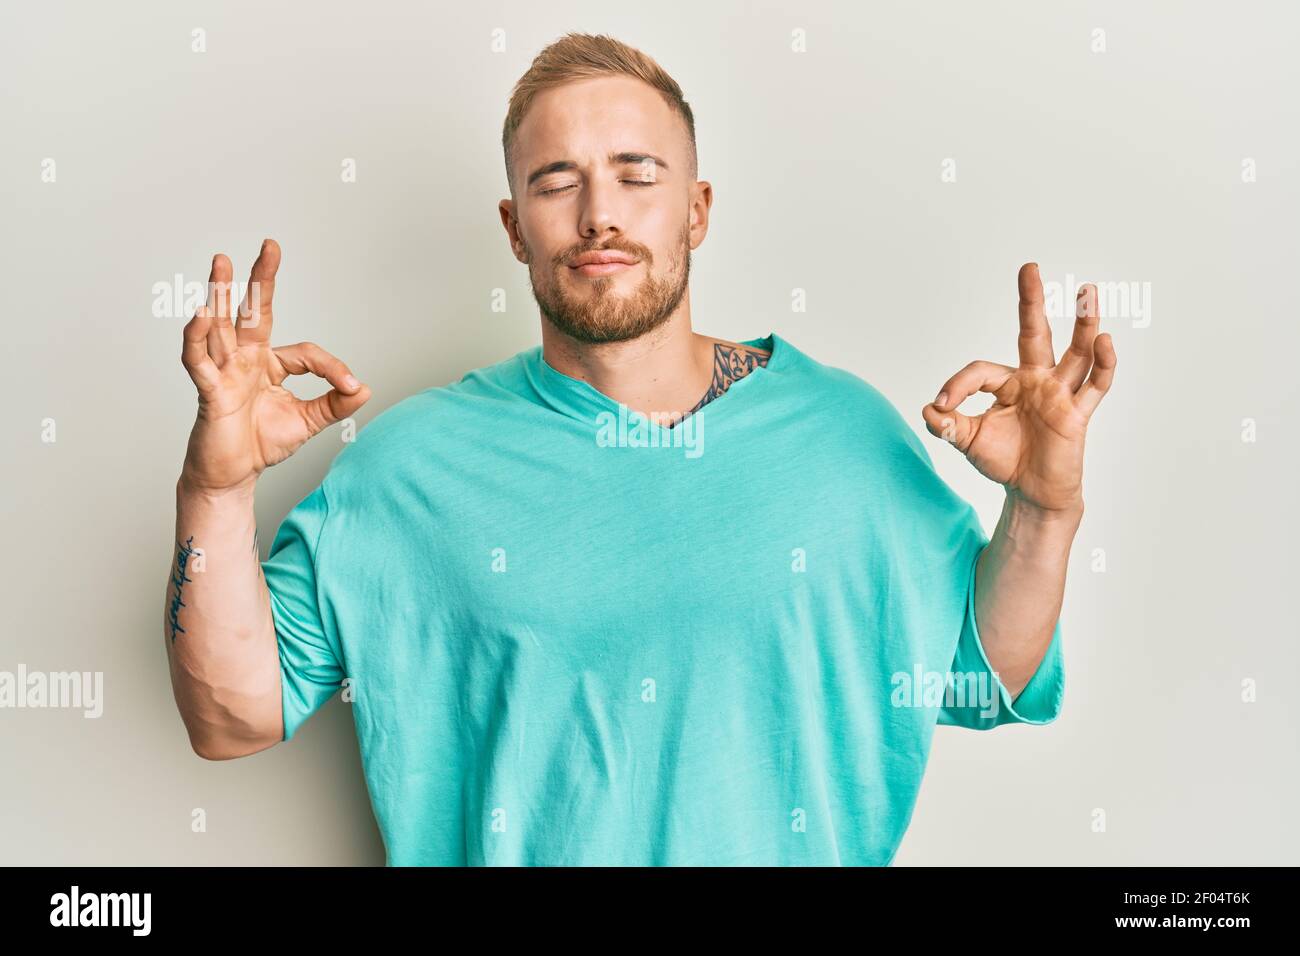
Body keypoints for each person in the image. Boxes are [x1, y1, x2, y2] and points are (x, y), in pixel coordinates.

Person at [164, 32, 1115, 865]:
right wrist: (214, 488)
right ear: (514, 228)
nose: (598, 214)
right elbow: (230, 715)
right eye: (556, 181)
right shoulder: (408, 469)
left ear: (696, 210)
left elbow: (990, 676)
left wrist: (1043, 508)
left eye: (635, 173)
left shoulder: (846, 439)